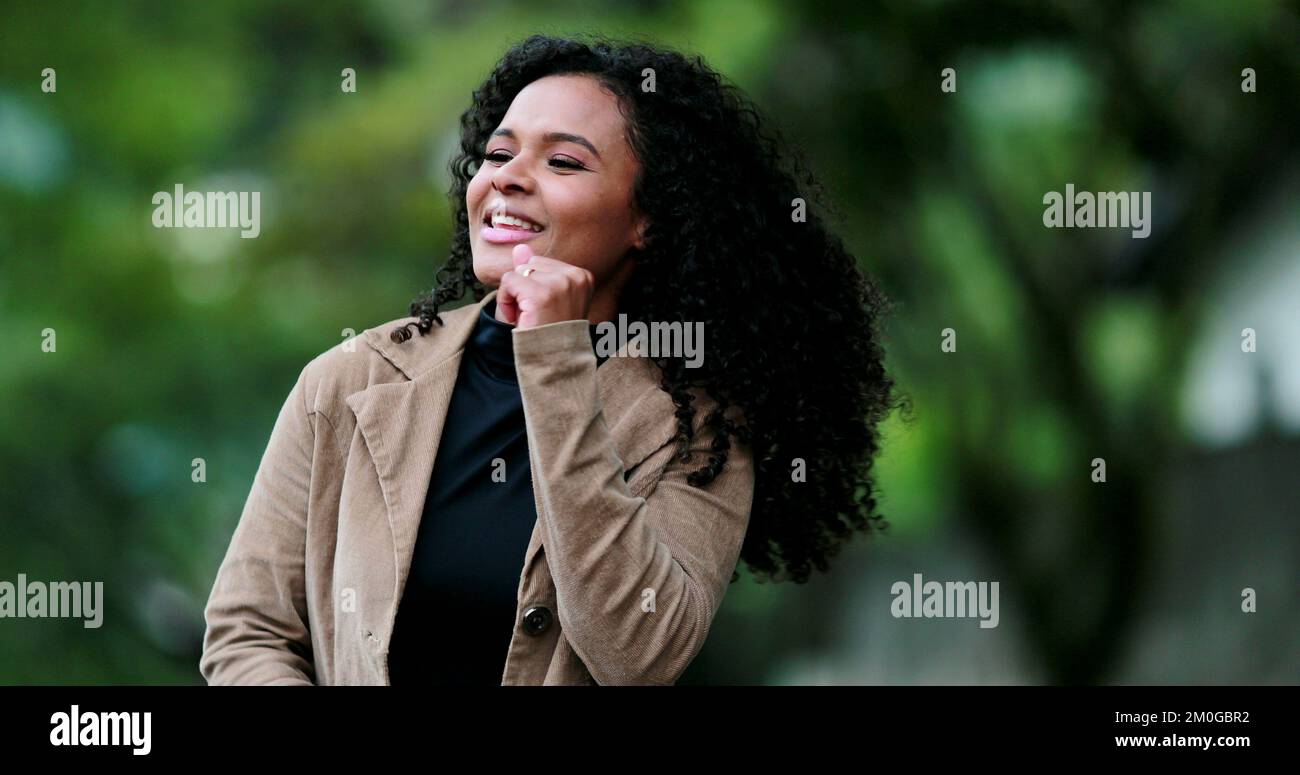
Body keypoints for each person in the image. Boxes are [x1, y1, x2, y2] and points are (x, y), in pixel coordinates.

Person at [200, 34, 895, 686]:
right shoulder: (351, 379)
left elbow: (639, 653)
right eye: (498, 155)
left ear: (649, 218)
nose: (508, 179)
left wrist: (556, 361)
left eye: (563, 162)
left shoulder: (696, 426)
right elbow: (247, 630)